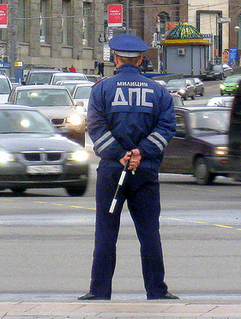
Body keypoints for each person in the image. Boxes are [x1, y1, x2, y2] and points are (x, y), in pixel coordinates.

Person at [79, 34, 177, 301]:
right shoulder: (158, 91)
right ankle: (157, 291)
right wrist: (139, 153)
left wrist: (120, 154)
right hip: (144, 171)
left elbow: (96, 128)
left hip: (112, 171)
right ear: (142, 60)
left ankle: (99, 291)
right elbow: (167, 128)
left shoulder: (102, 89)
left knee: (106, 233)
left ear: (116, 59)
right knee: (149, 233)